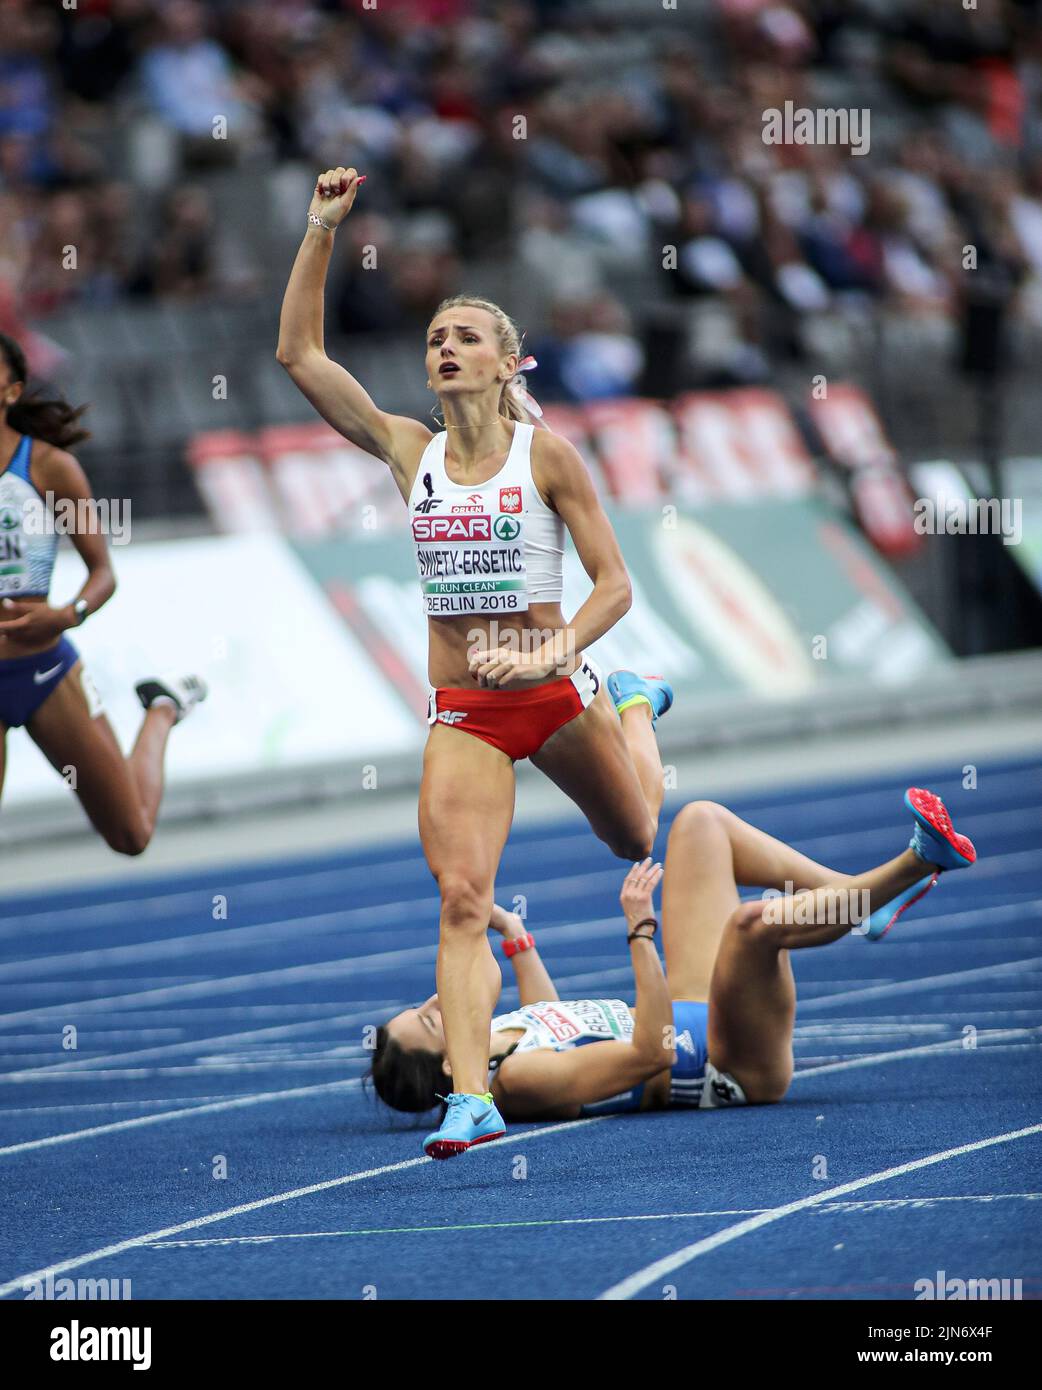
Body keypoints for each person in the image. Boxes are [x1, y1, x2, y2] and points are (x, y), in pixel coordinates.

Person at [277, 165, 674, 1157]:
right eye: (434, 340)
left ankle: (630, 706)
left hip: (550, 688)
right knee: (460, 896)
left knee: (634, 835)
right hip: (464, 708)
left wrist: (560, 648)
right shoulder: (405, 450)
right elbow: (297, 353)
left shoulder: (546, 459)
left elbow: (616, 585)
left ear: (509, 365)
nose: (444, 348)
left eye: (465, 337)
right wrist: (323, 226)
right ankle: (469, 1097)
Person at [369, 788, 975, 1124]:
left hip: (695, 1008)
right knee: (753, 925)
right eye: (430, 1020)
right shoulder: (517, 1080)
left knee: (701, 824)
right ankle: (915, 864)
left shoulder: (499, 1037)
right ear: (451, 1070)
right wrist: (640, 932)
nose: (434, 999)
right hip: (731, 1067)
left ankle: (857, 899)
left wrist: (518, 937)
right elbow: (648, 1052)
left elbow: (555, 1021)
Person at [0, 331, 206, 852]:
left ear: (11, 391)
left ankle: (163, 707)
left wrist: (67, 616)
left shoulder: (47, 467)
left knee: (130, 833)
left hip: (42, 668)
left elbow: (103, 574)